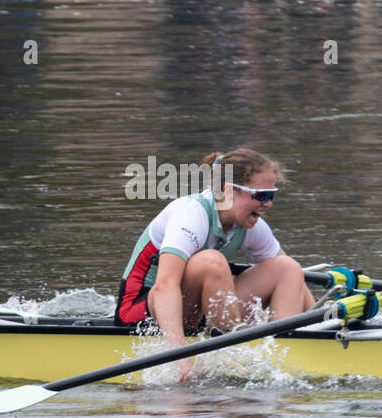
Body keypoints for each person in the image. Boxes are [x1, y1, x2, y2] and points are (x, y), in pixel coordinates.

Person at [115, 147, 313, 380]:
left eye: (272, 195)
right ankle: (234, 355)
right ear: (228, 191)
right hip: (141, 310)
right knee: (211, 262)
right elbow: (164, 286)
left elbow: (296, 282)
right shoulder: (191, 213)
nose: (268, 204)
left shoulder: (250, 225)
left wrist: (325, 319)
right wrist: (179, 359)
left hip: (193, 309)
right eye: (262, 195)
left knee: (287, 267)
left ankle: (285, 351)